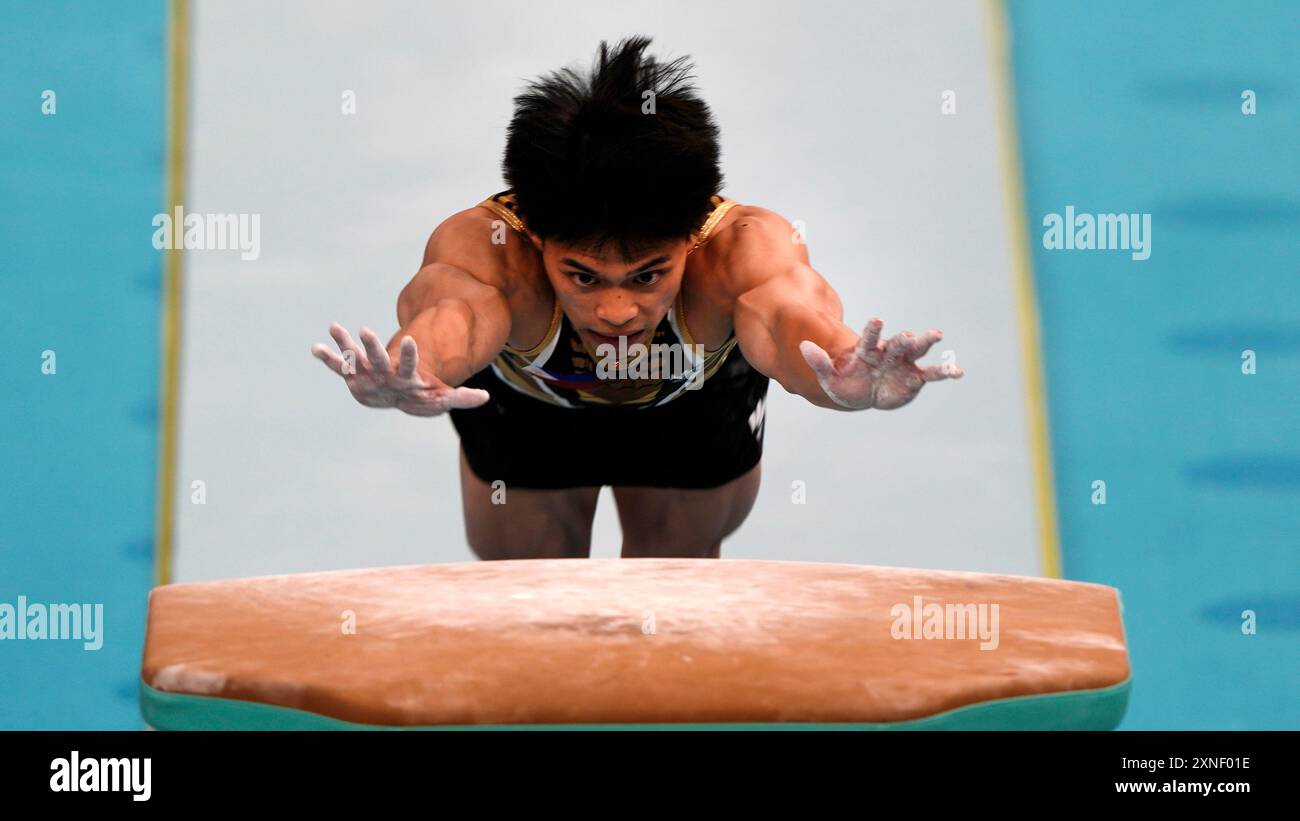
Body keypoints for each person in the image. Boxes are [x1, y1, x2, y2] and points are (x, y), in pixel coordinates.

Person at [312, 36, 963, 561]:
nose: (617, 312)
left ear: (690, 236)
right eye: (584, 277)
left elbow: (794, 319)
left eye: (649, 275)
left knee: (667, 607)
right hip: (530, 419)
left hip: (691, 411)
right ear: (537, 237)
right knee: (527, 604)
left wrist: (841, 369)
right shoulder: (490, 249)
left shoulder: (740, 249)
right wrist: (416, 365)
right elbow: (453, 315)